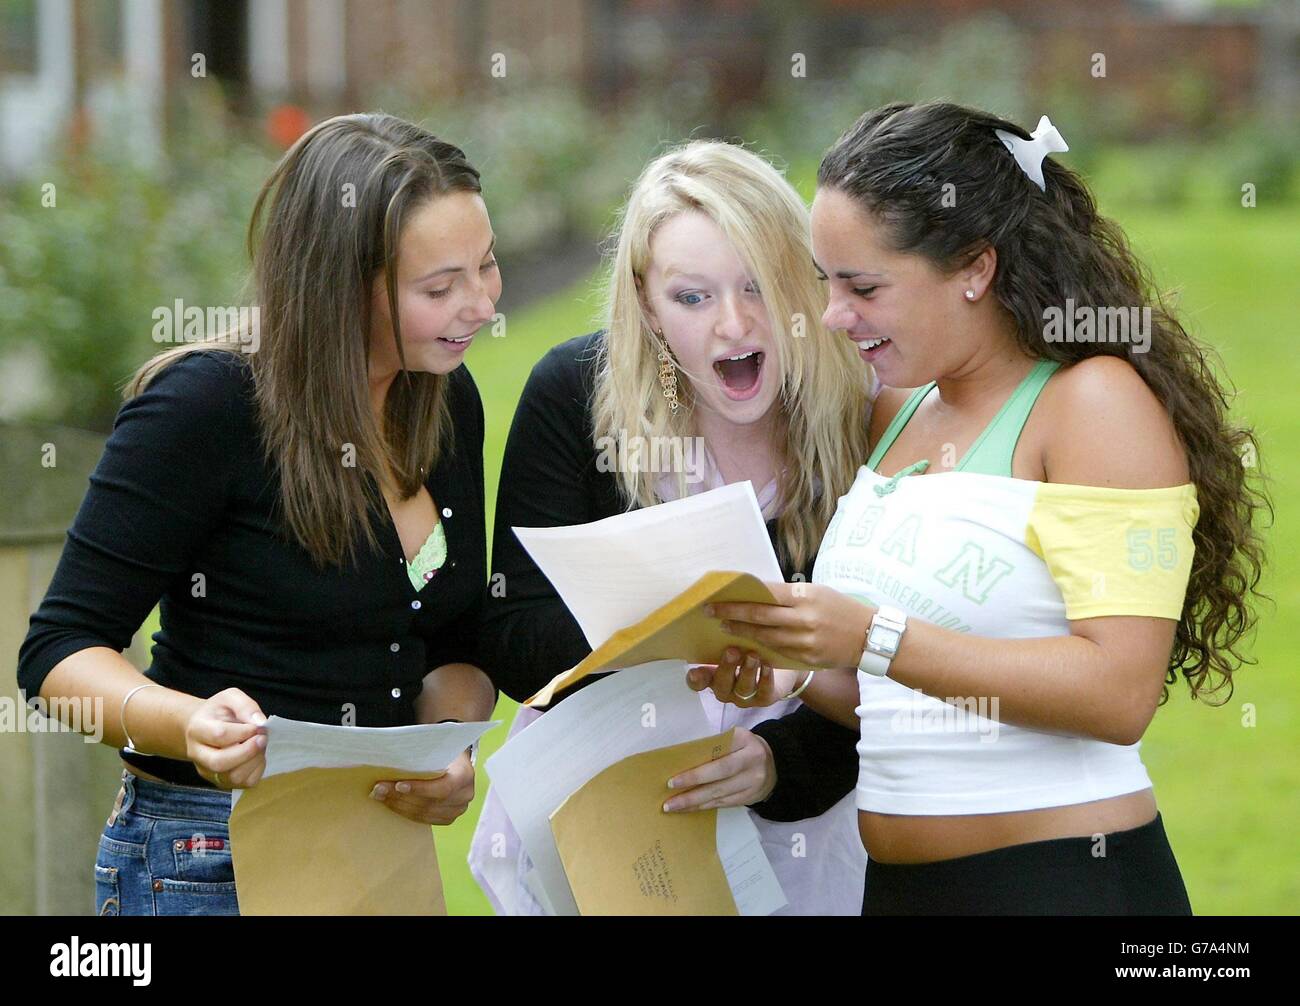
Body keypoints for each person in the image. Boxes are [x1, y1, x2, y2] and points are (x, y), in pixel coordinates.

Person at [696, 102, 1268, 915]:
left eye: (863, 286)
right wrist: (799, 668)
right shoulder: (898, 413)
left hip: (1063, 883)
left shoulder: (1092, 405)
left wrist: (868, 636)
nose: (832, 315)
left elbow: (1118, 692)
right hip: (896, 889)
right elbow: (912, 698)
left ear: (974, 267)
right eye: (827, 283)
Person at [16, 113, 498, 915]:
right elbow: (57, 655)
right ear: (340, 286)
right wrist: (188, 724)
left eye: (487, 266)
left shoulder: (444, 401)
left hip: (374, 850)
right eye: (440, 287)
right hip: (205, 855)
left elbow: (451, 638)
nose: (480, 305)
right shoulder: (205, 408)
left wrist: (445, 748)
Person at [468, 139, 869, 915]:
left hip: (806, 827)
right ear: (647, 305)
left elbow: (897, 665)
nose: (733, 324)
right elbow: (512, 634)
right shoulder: (573, 396)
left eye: (758, 286)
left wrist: (781, 764)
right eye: (693, 298)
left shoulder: (861, 410)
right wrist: (654, 633)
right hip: (611, 806)